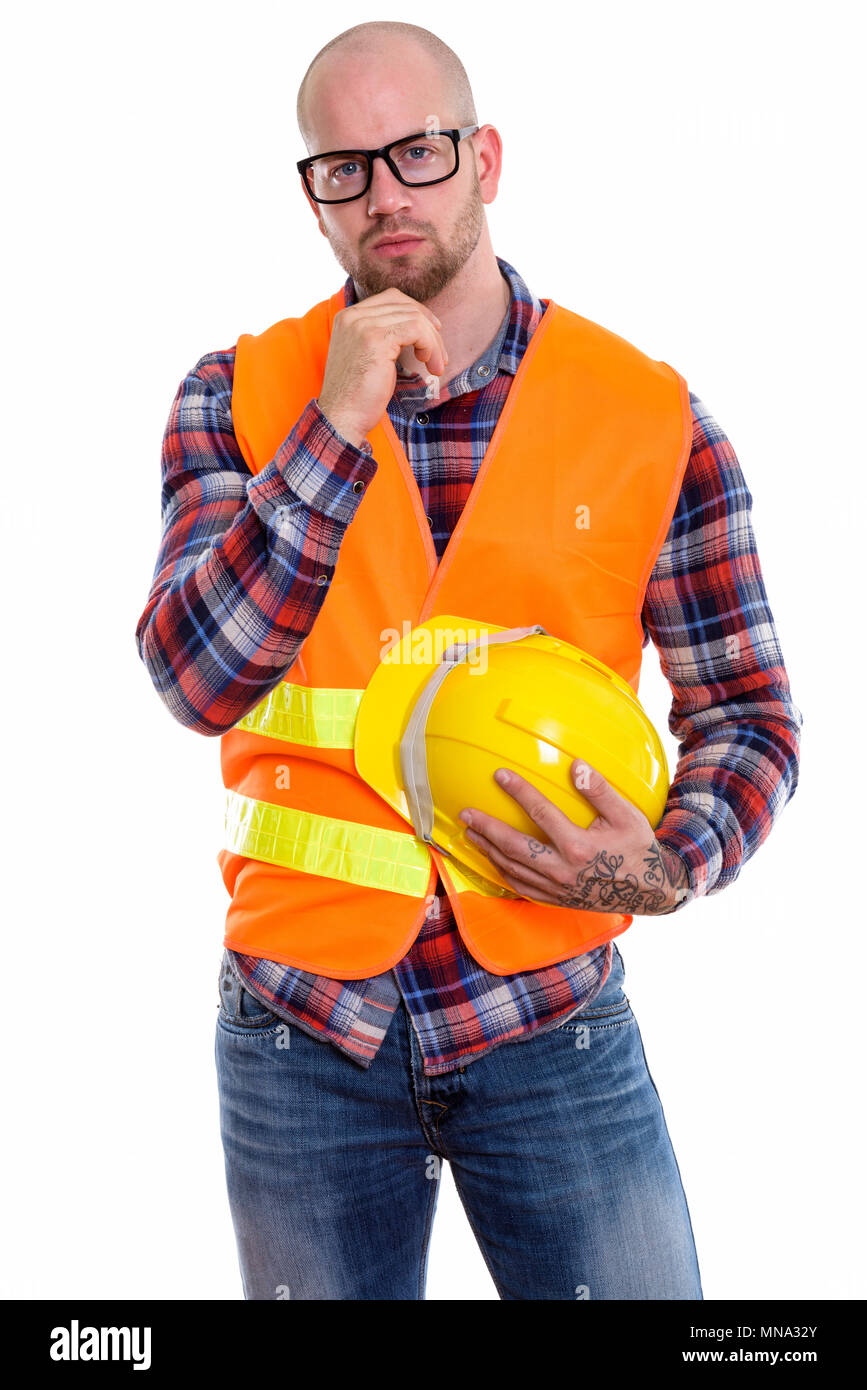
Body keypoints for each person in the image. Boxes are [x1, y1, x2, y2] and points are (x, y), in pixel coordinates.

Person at [134, 20, 803, 1300]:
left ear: (484, 159)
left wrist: (674, 860)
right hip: (299, 1022)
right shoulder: (238, 396)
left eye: (420, 151)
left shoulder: (648, 414)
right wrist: (335, 425)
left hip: (550, 1011)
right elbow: (192, 678)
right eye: (346, 167)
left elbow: (752, 712)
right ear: (313, 198)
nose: (386, 192)